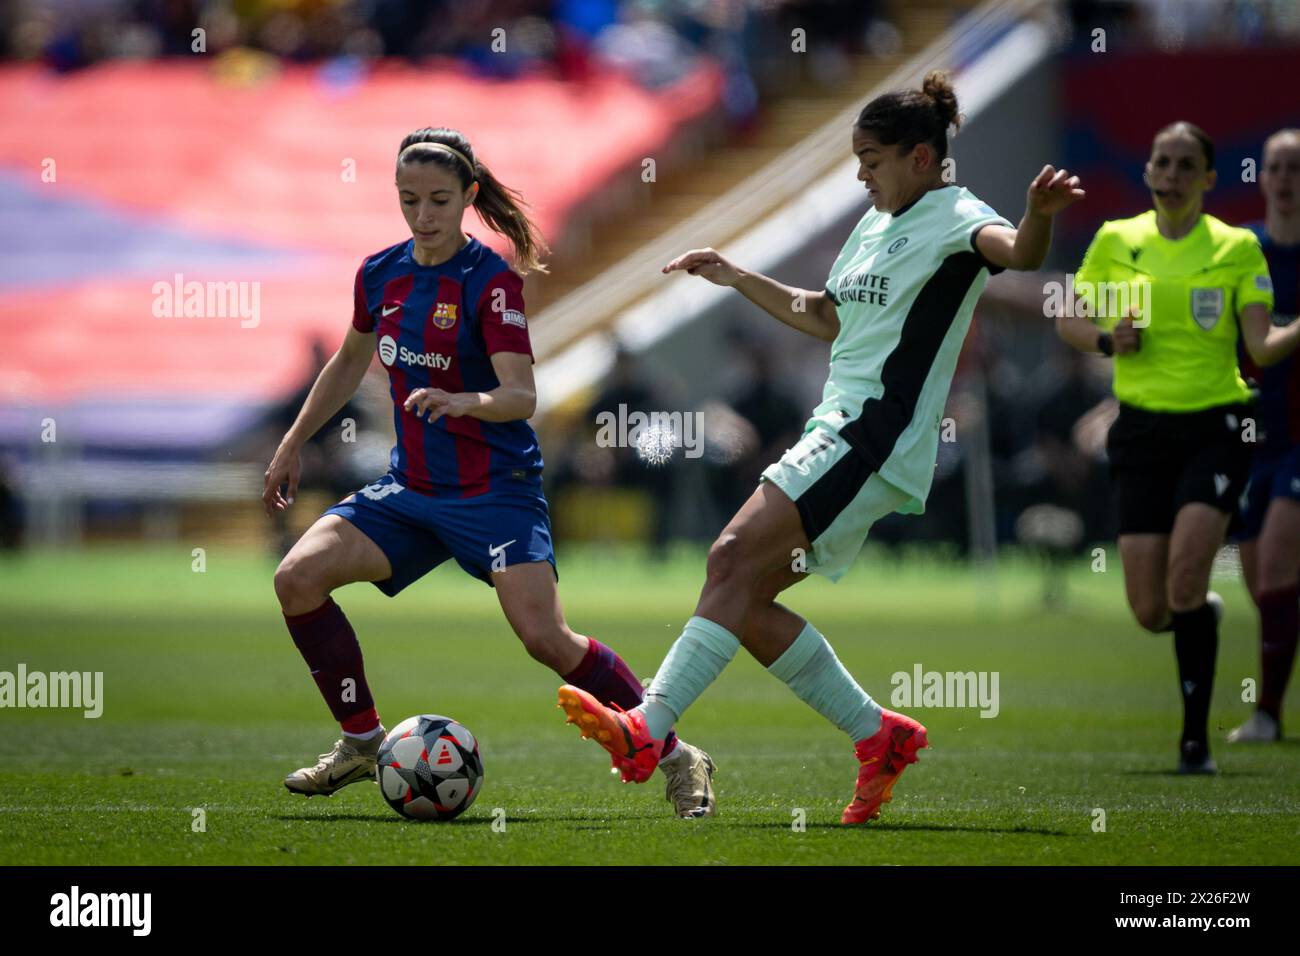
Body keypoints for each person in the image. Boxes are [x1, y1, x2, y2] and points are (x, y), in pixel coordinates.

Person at [555, 71, 1084, 823]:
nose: (861, 173)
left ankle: (647, 730)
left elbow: (1021, 255)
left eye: (872, 158)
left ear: (922, 159)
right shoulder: (872, 226)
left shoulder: (956, 214)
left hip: (873, 435)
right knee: (748, 597)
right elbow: (824, 315)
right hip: (834, 428)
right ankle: (879, 735)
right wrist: (736, 277)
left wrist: (1038, 215)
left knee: (728, 558)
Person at [263, 127, 716, 818]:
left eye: (439, 200)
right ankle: (361, 740)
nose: (423, 215)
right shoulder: (379, 273)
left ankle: (679, 755)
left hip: (493, 493)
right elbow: (351, 359)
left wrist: (462, 400)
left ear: (470, 196)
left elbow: (521, 397)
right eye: (409, 200)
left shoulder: (490, 281)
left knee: (545, 638)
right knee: (296, 578)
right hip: (411, 488)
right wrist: (295, 439)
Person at [1056, 121, 1300, 773]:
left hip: (1217, 427)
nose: (1170, 175)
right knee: (1149, 608)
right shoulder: (1117, 240)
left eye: (1185, 165)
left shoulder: (1234, 249)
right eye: (1161, 162)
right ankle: (1200, 618)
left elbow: (1262, 346)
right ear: (1148, 173)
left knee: (1187, 577)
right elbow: (1069, 318)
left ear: (1208, 179)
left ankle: (1195, 743)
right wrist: (1111, 341)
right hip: (1138, 431)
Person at [1229, 128, 1300, 743]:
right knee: (1262, 582)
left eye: (1294, 167)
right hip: (1252, 431)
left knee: (1277, 562)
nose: (1283, 177)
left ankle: (1268, 715)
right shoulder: (1244, 250)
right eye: (1275, 166)